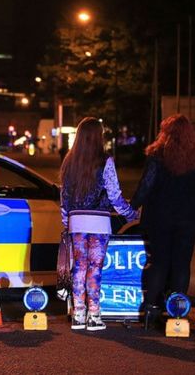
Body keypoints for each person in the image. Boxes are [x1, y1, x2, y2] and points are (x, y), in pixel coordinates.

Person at [130, 114, 195, 329]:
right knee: (182, 264)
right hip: (187, 218)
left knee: (159, 263)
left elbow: (146, 186)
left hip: (160, 217)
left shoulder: (156, 155)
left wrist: (132, 206)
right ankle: (177, 311)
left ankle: (150, 311)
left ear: (165, 133)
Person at [60, 117, 138, 331]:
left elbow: (64, 196)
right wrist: (131, 214)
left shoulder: (69, 161)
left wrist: (66, 222)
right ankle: (94, 315)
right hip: (99, 222)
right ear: (98, 137)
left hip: (77, 221)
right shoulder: (106, 161)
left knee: (79, 267)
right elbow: (114, 195)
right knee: (94, 268)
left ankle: (78, 314)